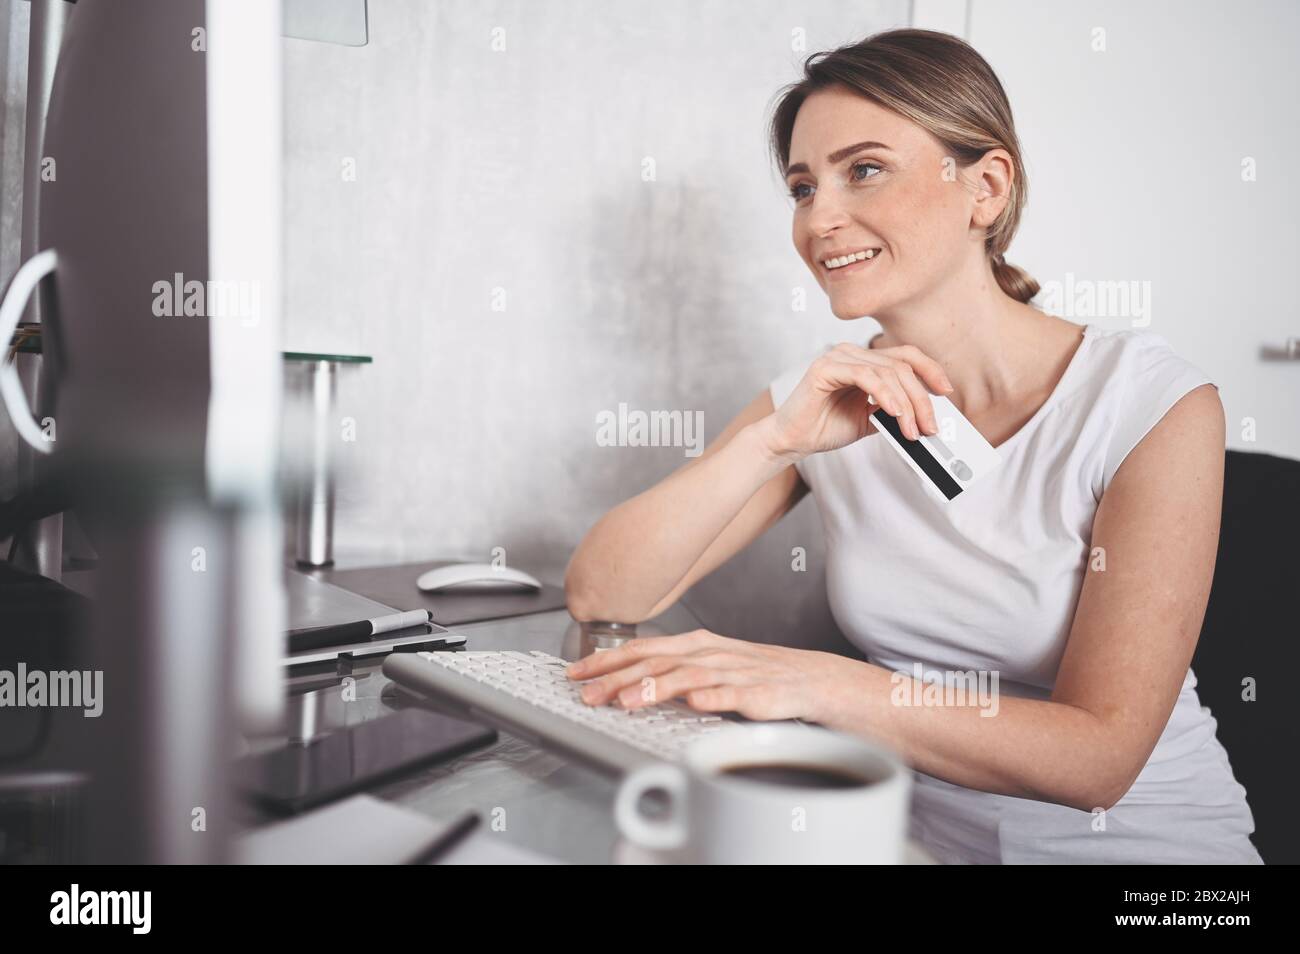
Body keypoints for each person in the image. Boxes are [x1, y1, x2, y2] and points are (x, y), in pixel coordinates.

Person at [562, 28, 1260, 864]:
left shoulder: (1152, 404)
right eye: (800, 186)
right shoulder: (824, 397)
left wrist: (818, 684)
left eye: (864, 169)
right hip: (905, 841)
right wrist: (772, 443)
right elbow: (603, 593)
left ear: (986, 187)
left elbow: (1100, 759)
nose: (820, 218)